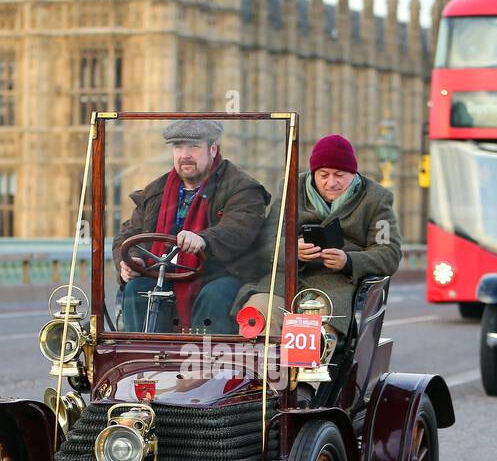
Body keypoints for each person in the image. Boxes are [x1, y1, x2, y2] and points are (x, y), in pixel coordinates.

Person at [115, 120, 270, 334]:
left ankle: (209, 362)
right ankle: (143, 360)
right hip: (164, 272)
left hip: (221, 273)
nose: (184, 155)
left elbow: (240, 229)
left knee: (214, 295)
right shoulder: (156, 191)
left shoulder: (242, 188)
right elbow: (129, 233)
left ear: (213, 149)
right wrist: (131, 260)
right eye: (178, 147)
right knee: (137, 290)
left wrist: (204, 239)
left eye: (193, 147)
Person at [296, 134, 402, 332]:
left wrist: (349, 261)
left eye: (339, 175)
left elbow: (389, 253)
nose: (331, 183)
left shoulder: (376, 199)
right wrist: (294, 251)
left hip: (338, 283)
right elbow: (267, 240)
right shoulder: (291, 189)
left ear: (353, 174)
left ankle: (318, 362)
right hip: (290, 279)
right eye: (324, 175)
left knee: (317, 328)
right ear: (313, 174)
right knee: (258, 315)